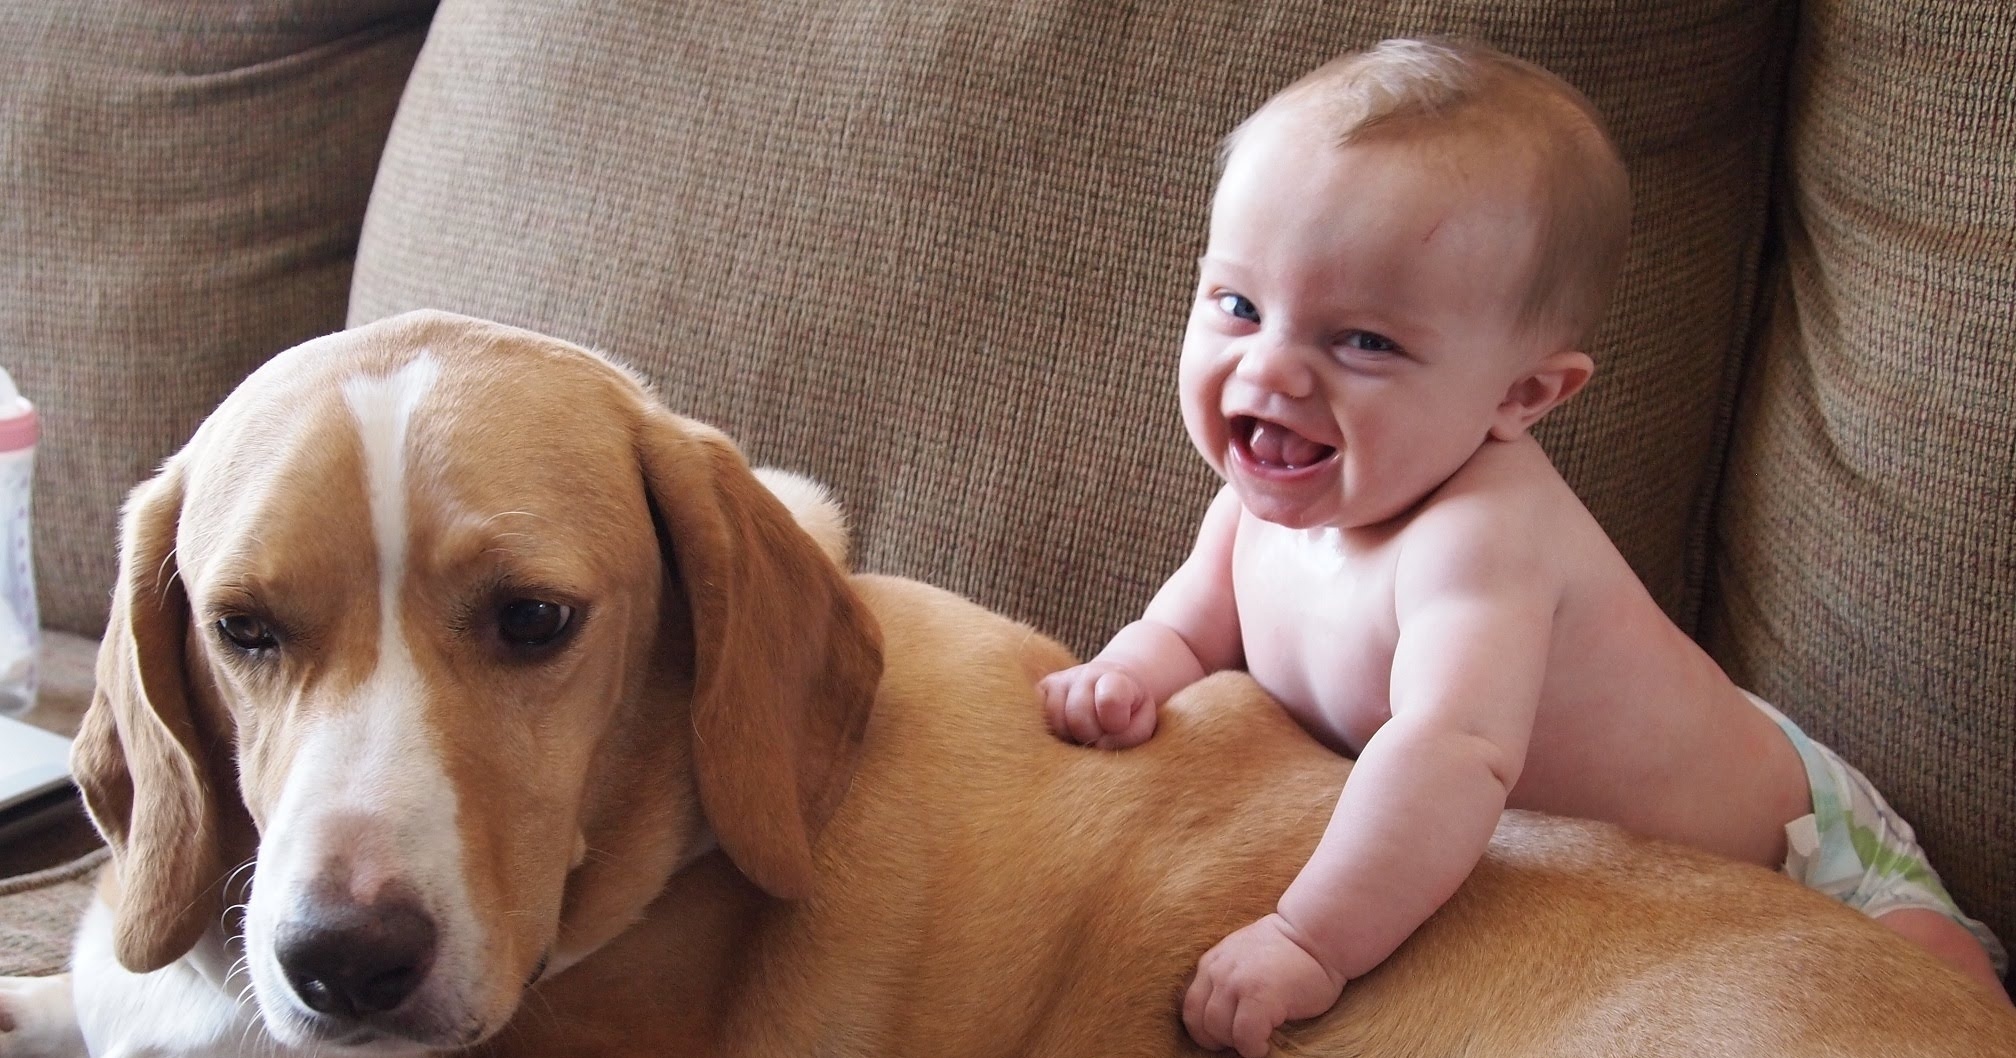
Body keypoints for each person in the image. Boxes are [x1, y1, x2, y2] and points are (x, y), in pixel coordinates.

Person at [1037, 36, 2010, 1057]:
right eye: (1239, 306)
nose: (1271, 369)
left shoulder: (1479, 541)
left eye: (1363, 341)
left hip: (1806, 849)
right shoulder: (1255, 510)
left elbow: (1448, 757)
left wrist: (1307, 937)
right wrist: (1124, 676)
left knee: (1945, 1005)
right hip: (1632, 897)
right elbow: (1186, 631)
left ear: (1523, 394)